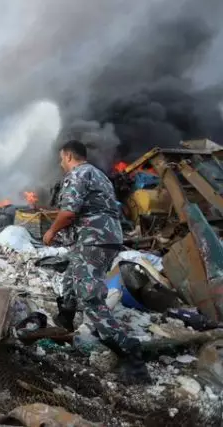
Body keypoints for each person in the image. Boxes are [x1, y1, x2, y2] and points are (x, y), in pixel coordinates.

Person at [43, 140, 150, 383]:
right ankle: (65, 319)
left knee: (89, 296)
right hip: (105, 238)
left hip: (93, 240)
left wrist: (51, 232)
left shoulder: (77, 174)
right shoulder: (99, 175)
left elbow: (69, 212)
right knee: (72, 276)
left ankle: (130, 352)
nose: (61, 164)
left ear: (69, 156)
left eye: (61, 159)